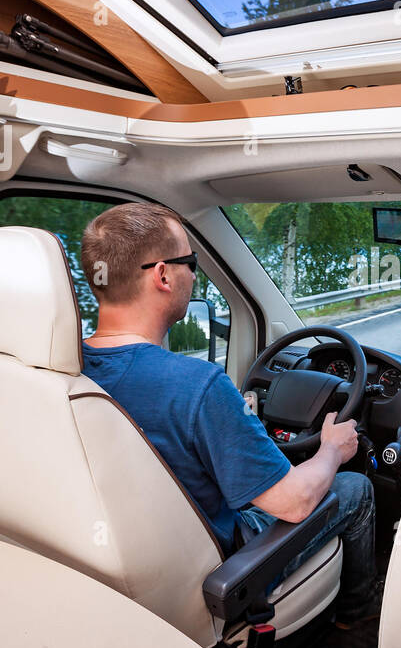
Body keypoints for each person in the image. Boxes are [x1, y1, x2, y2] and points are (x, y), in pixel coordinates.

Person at [77, 202, 379, 625]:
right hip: (220, 572)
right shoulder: (196, 384)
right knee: (354, 489)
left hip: (117, 572)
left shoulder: (67, 371)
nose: (194, 274)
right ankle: (356, 621)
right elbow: (293, 503)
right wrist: (330, 449)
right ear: (163, 275)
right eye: (192, 262)